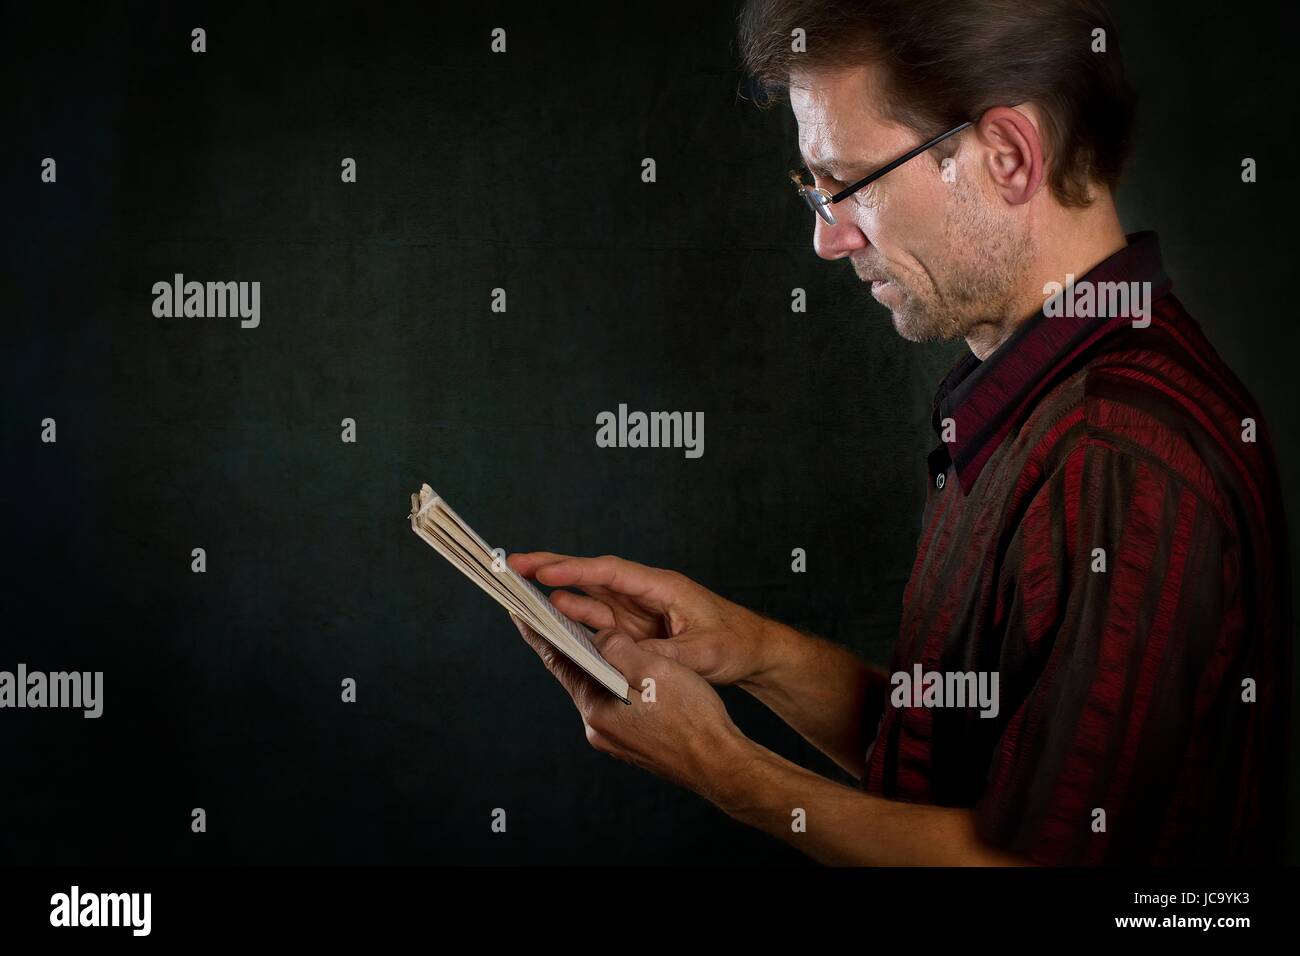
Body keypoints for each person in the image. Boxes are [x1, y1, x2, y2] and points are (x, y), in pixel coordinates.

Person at [507, 0, 1291, 865]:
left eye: (849, 183)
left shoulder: (1117, 456)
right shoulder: (1040, 402)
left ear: (1008, 157)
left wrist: (722, 767)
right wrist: (754, 651)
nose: (826, 238)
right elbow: (975, 756)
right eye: (814, 187)